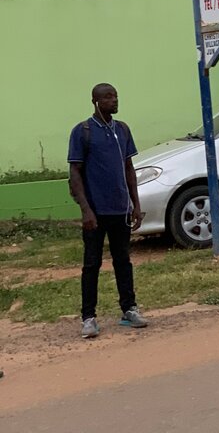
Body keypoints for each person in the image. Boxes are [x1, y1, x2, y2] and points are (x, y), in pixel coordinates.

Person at [68, 83, 148, 339]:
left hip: (120, 211)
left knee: (123, 261)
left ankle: (129, 309)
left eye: (115, 96)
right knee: (91, 264)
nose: (114, 100)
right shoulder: (83, 132)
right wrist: (85, 210)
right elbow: (74, 173)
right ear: (95, 101)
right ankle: (88, 317)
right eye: (108, 97)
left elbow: (128, 169)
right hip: (95, 212)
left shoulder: (122, 129)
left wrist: (136, 205)